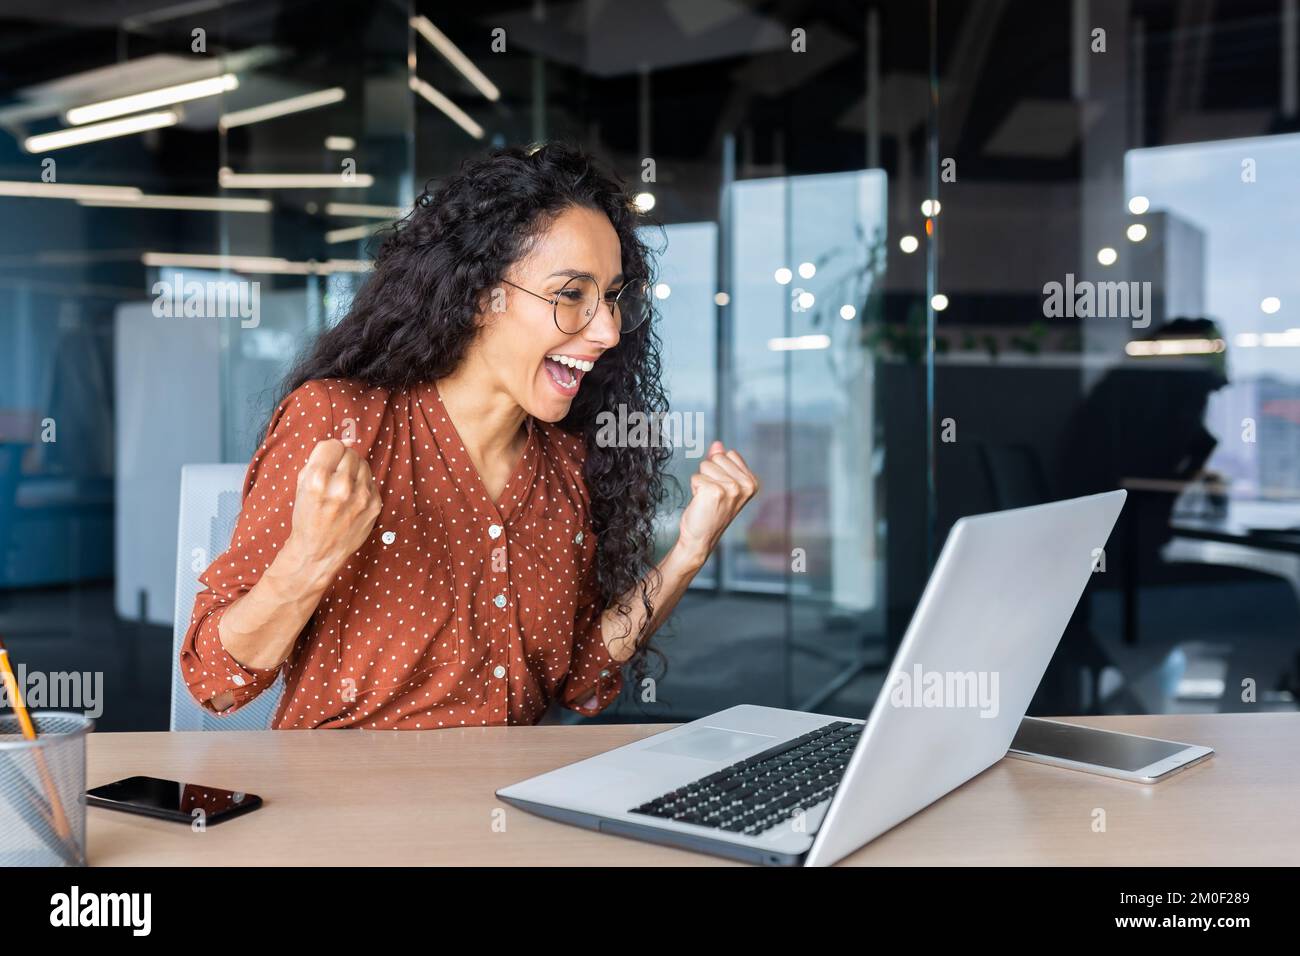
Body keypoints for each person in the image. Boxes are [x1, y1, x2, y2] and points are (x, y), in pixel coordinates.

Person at [179, 142, 758, 729]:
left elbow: (582, 681)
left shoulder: (567, 465)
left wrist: (689, 553)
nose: (608, 331)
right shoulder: (341, 422)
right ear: (482, 296)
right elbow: (214, 683)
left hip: (513, 785)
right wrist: (310, 557)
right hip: (346, 786)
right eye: (571, 295)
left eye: (611, 298)